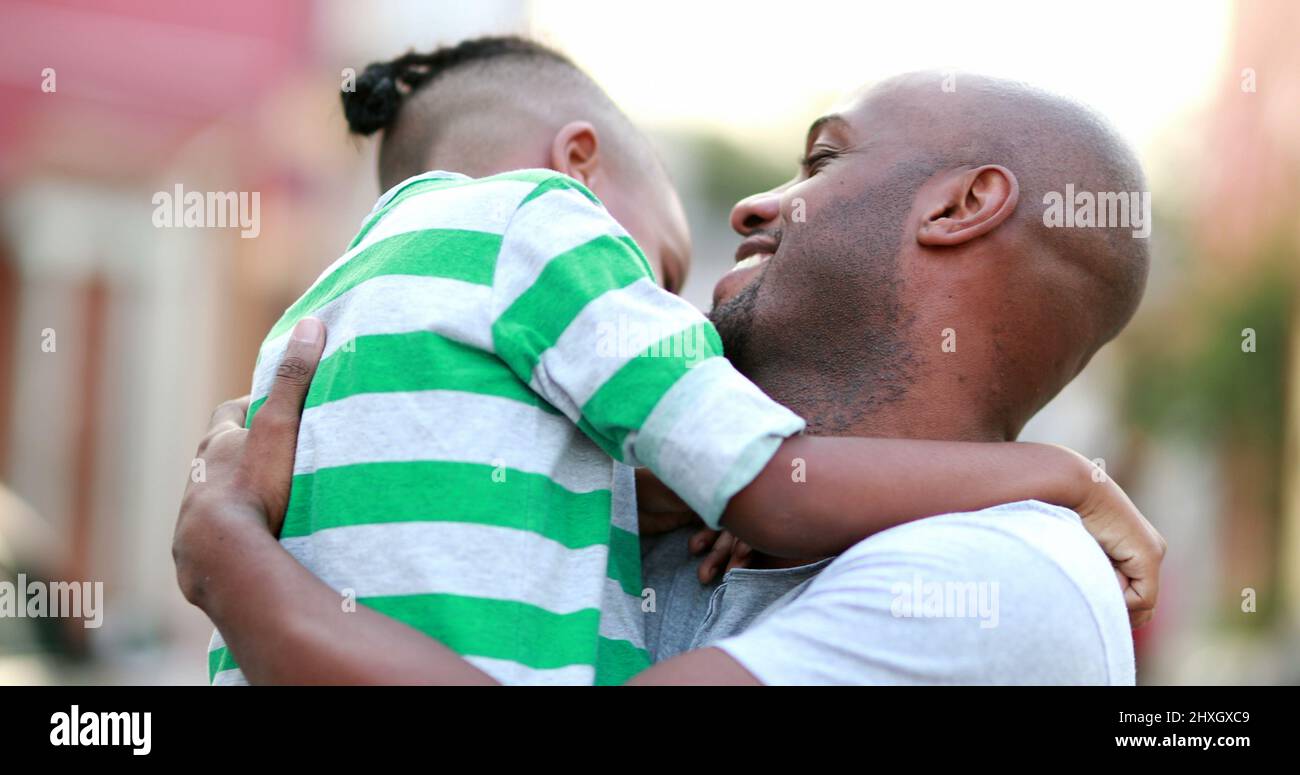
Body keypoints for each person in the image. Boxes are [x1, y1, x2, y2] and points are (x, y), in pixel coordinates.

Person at [182, 46, 1163, 684]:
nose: (747, 208)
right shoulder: (625, 509)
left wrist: (234, 559)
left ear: (960, 207)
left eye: (820, 162)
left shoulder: (1003, 583)